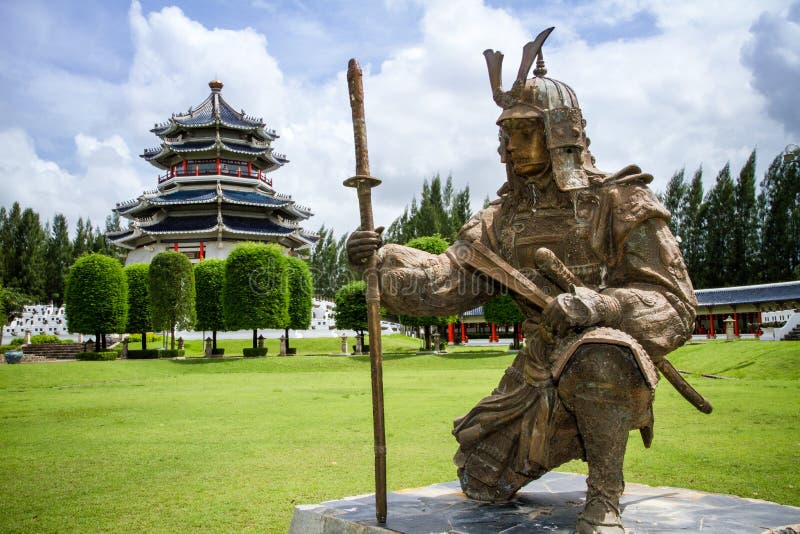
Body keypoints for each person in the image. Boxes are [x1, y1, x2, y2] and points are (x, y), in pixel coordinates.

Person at [347, 29, 697, 534]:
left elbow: (675, 302)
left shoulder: (620, 202)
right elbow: (446, 279)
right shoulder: (502, 219)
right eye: (507, 134)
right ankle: (558, 429)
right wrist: (379, 261)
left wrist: (599, 306)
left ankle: (604, 498)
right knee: (480, 480)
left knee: (600, 352)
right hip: (536, 372)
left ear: (561, 133)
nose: (512, 146)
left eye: (526, 131)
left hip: (608, 361)